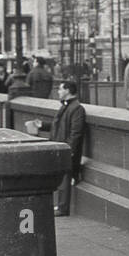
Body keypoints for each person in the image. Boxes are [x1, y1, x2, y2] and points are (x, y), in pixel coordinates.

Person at [50, 80, 86, 217]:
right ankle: (59, 205)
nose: (58, 92)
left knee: (65, 177)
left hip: (66, 149)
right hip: (60, 146)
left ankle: (63, 208)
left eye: (60, 89)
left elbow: (76, 132)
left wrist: (69, 149)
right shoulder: (66, 106)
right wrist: (42, 125)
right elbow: (59, 126)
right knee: (61, 177)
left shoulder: (76, 108)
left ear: (67, 91)